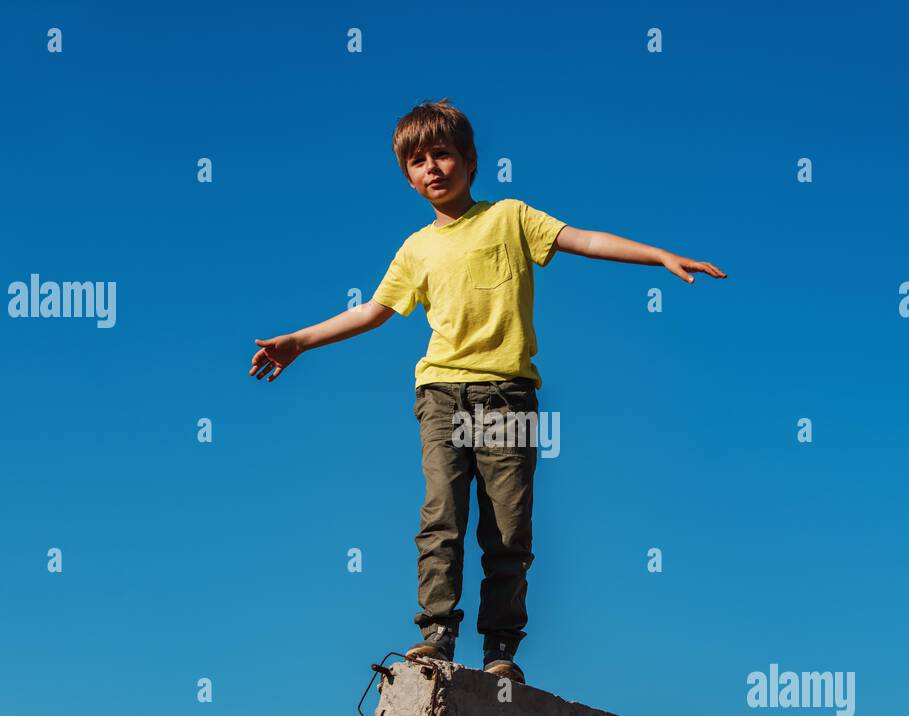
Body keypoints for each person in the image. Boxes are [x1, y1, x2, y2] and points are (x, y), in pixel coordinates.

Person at [249, 98, 725, 685]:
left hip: (507, 396)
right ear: (407, 175)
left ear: (471, 161)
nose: (432, 168)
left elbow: (585, 240)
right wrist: (300, 339)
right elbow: (374, 311)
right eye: (417, 161)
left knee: (507, 526)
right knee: (440, 514)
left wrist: (657, 255)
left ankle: (501, 648)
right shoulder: (416, 249)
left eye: (443, 154)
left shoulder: (510, 217)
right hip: (442, 393)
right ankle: (437, 634)